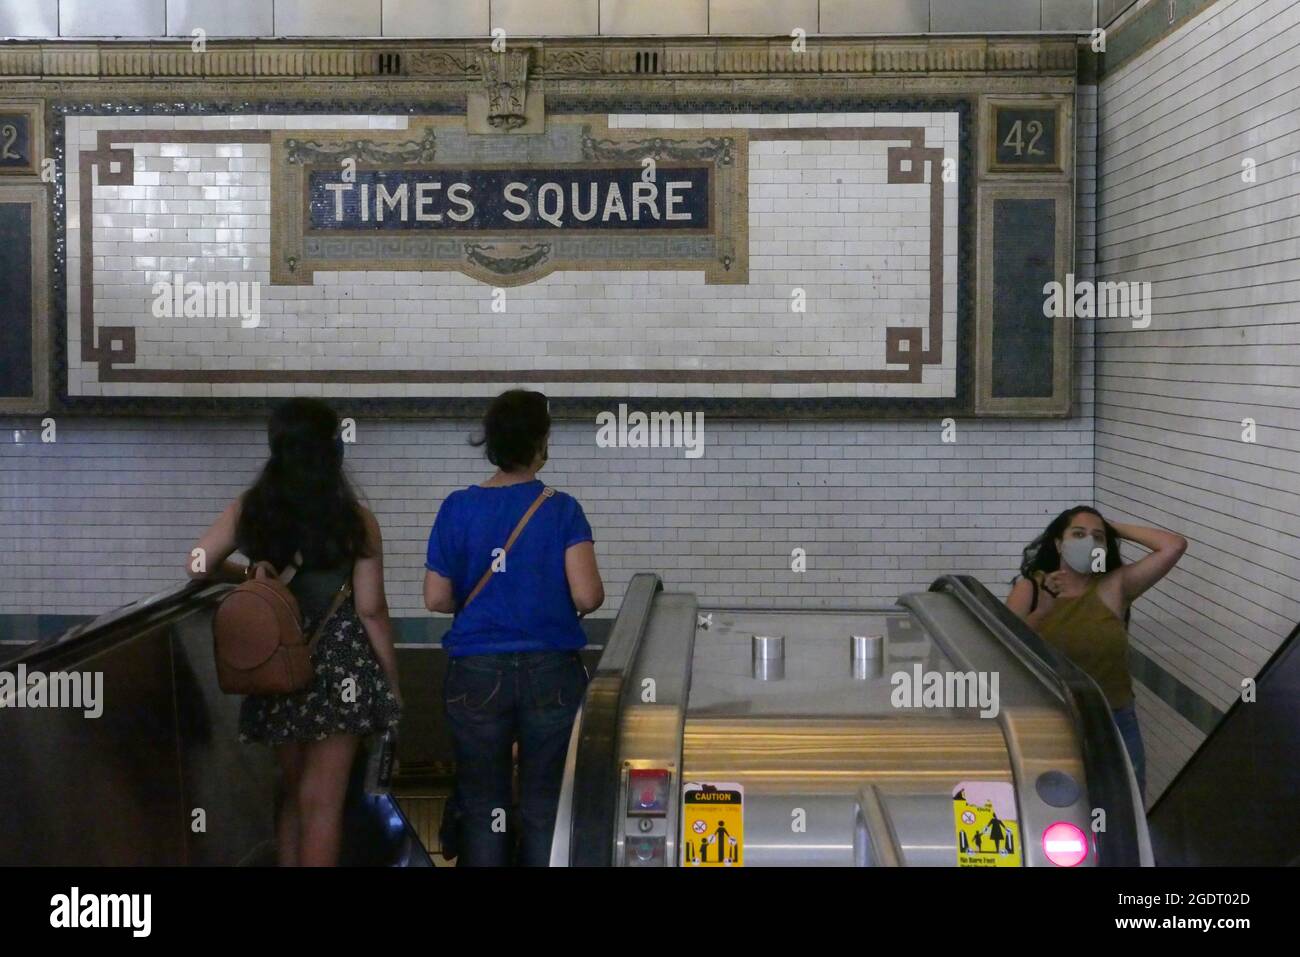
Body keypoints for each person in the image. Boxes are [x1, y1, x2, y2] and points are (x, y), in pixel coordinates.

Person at [188, 398, 402, 866]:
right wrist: (391, 681)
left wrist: (248, 576)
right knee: (322, 803)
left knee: (292, 795)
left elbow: (198, 562)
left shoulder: (253, 508)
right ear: (332, 450)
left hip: (277, 660)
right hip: (341, 666)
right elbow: (371, 610)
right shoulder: (355, 518)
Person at [424, 389, 604, 866]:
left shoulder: (457, 508)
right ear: (541, 442)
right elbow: (587, 596)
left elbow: (436, 597)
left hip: (475, 673)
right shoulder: (561, 509)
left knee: (485, 808)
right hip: (551, 671)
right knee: (546, 806)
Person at [1006, 506, 1187, 801]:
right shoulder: (1031, 588)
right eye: (1078, 534)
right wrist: (1041, 613)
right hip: (1050, 718)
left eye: (1097, 537)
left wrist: (1111, 526)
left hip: (1113, 718)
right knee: (1060, 806)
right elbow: (1003, 646)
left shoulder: (1114, 586)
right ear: (1058, 543)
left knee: (1123, 806)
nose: (1088, 542)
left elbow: (1173, 546)